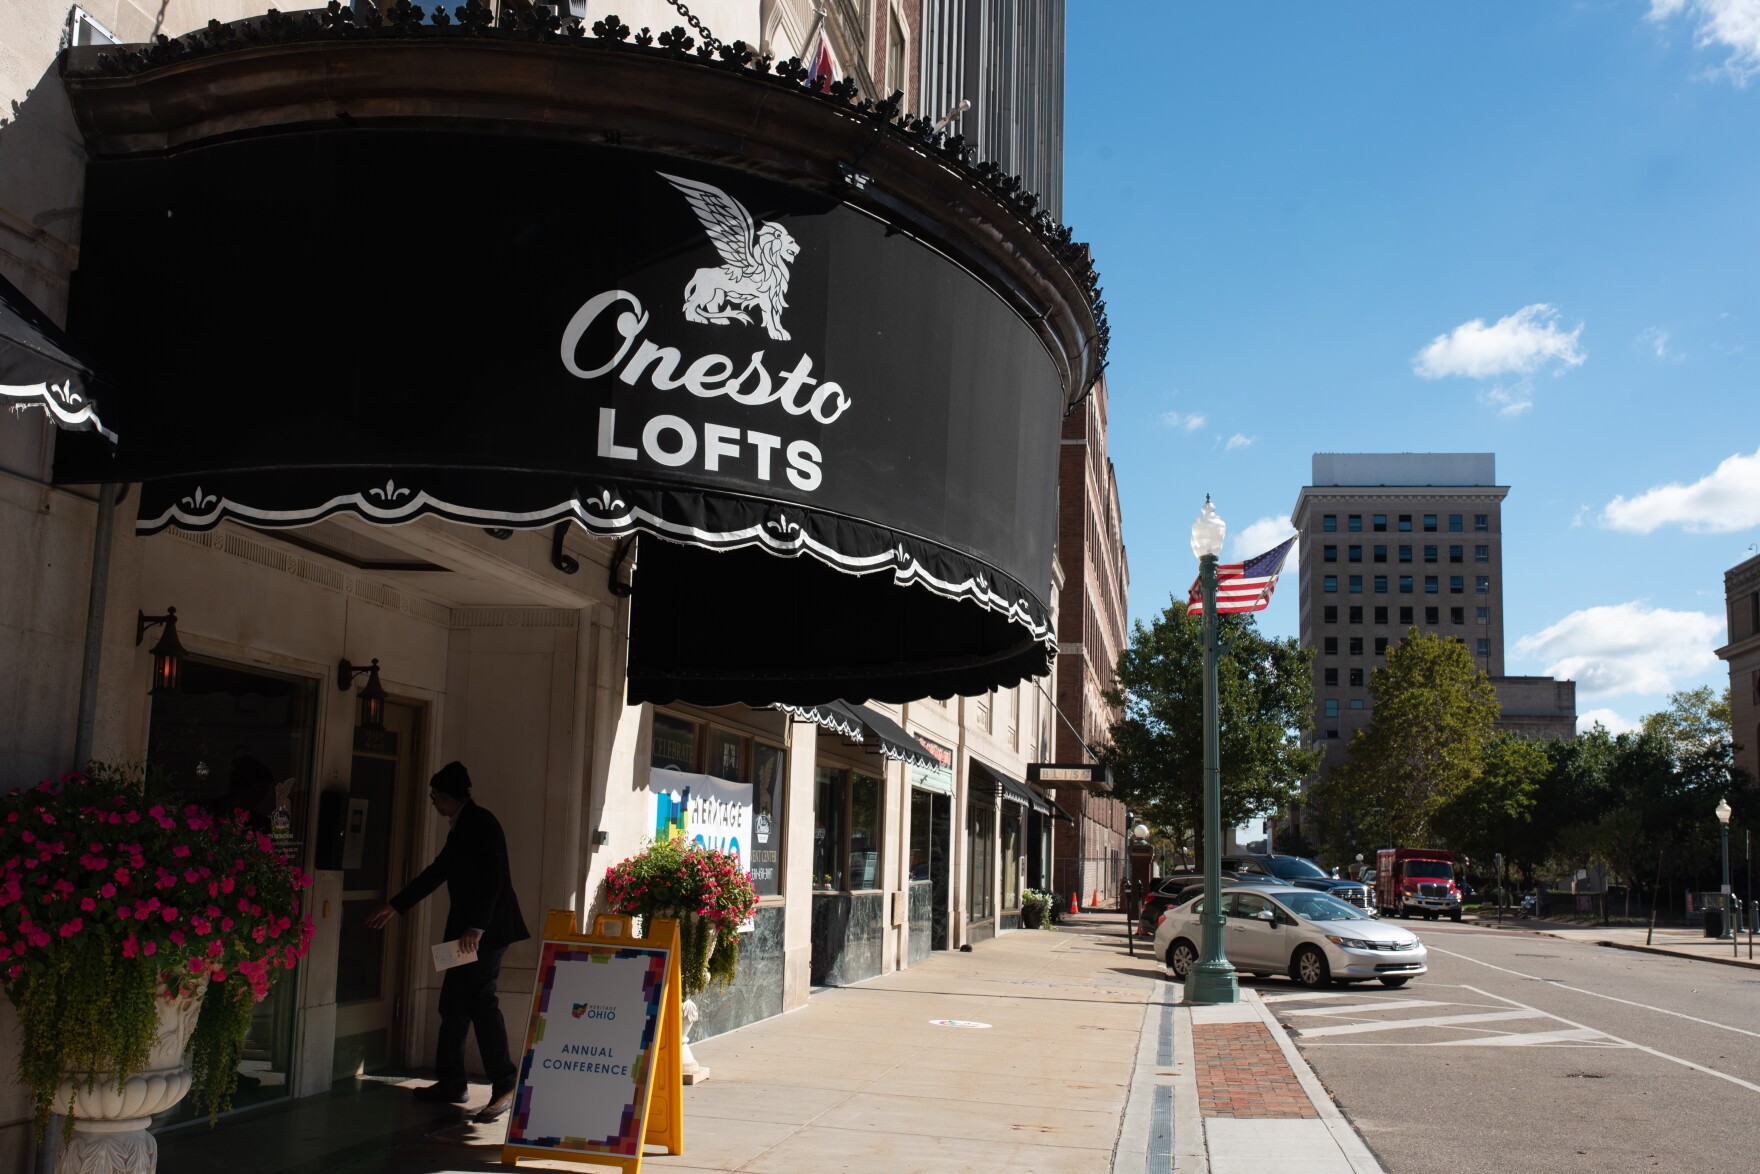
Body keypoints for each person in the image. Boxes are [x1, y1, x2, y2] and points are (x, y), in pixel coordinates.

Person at [366, 762, 529, 1123]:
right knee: (452, 1003)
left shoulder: (480, 823)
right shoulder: (461, 826)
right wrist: (395, 906)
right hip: (467, 933)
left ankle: (504, 1081)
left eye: (434, 796)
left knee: (481, 1002)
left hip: (484, 935)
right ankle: (452, 1082)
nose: (433, 803)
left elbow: (494, 879)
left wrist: (477, 927)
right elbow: (437, 872)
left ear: (446, 796)